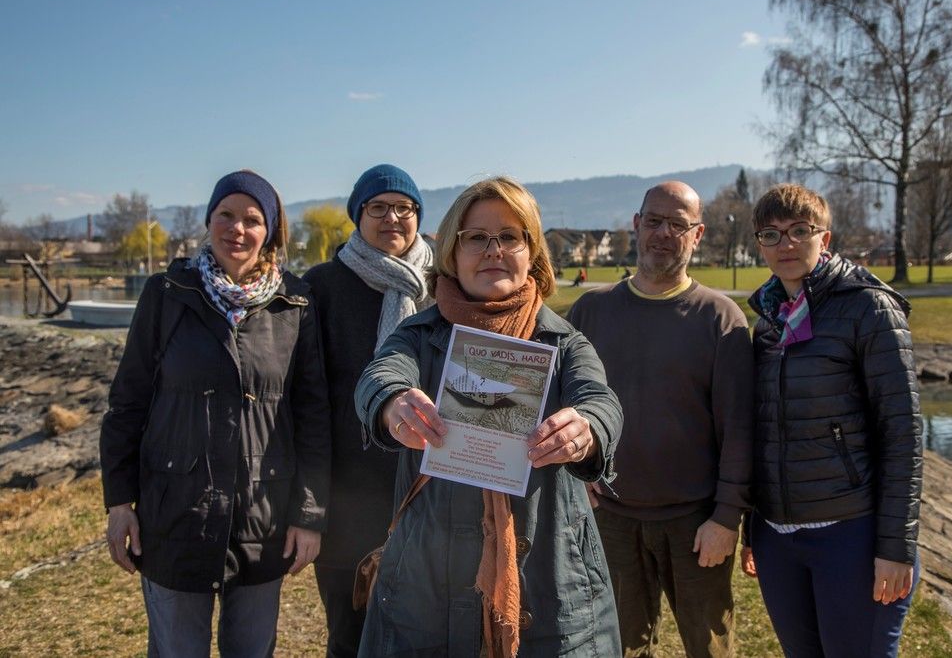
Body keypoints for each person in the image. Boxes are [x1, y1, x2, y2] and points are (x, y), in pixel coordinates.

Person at [354, 176, 623, 657]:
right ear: (452, 253)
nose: (493, 249)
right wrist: (393, 401)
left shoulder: (564, 342)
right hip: (427, 580)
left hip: (549, 573)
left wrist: (587, 428)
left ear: (531, 253)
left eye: (510, 237)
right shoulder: (418, 335)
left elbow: (600, 400)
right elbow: (380, 374)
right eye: (476, 237)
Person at [100, 170, 331, 657]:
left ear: (270, 230)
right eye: (225, 214)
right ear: (209, 220)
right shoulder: (166, 294)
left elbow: (313, 418)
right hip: (174, 511)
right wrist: (120, 502)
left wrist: (309, 514)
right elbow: (128, 403)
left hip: (261, 517)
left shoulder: (295, 305)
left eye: (252, 219)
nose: (237, 229)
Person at [567, 181, 753, 658]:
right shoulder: (592, 310)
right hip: (610, 517)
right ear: (636, 225)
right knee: (617, 648)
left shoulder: (721, 318)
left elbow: (739, 431)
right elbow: (559, 402)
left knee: (709, 648)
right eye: (654, 221)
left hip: (696, 522)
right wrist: (575, 476)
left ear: (697, 235)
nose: (663, 234)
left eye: (678, 224)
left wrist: (727, 518)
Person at [740, 183, 922, 657]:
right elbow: (761, 433)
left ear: (826, 237)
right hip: (779, 537)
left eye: (801, 231)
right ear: (759, 244)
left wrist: (896, 548)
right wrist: (751, 529)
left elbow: (902, 434)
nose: (787, 244)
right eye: (771, 235)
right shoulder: (768, 320)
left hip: (852, 535)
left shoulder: (867, 306)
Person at [303, 164, 433, 657]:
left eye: (404, 208)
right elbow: (309, 399)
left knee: (424, 629)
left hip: (426, 486)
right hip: (348, 494)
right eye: (378, 208)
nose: (392, 218)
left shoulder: (443, 285)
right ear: (357, 216)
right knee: (350, 632)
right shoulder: (322, 286)